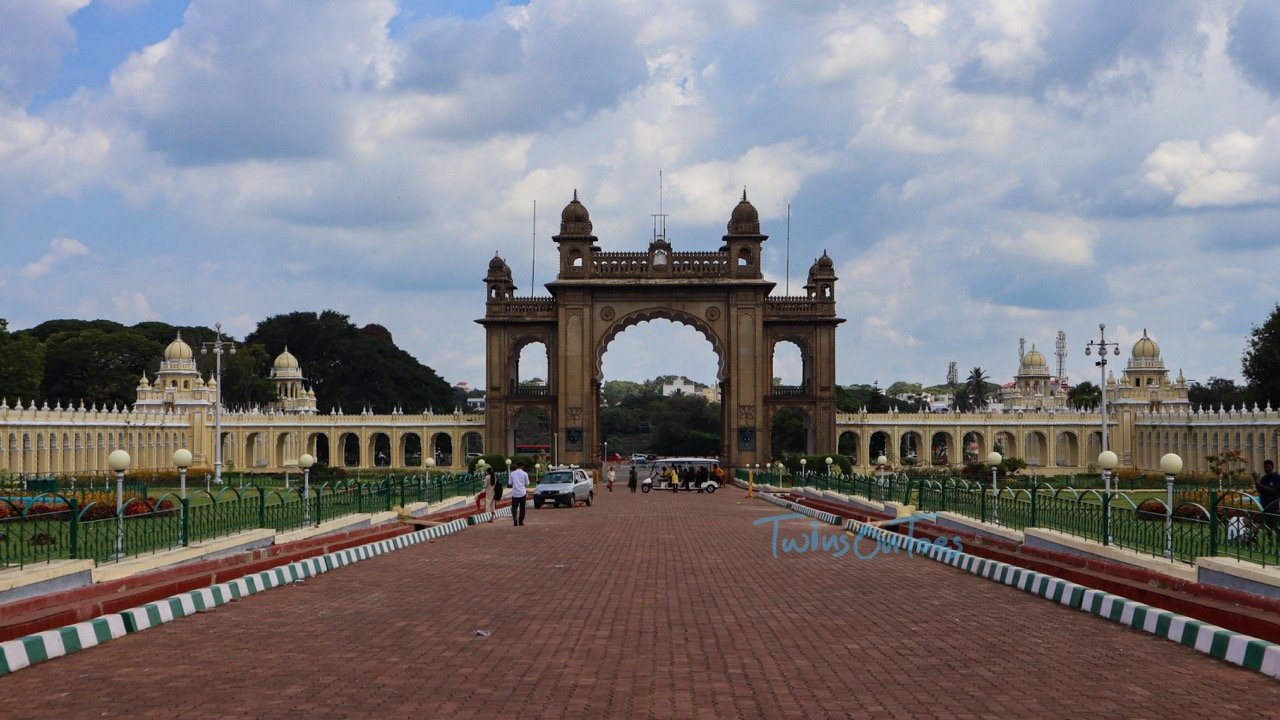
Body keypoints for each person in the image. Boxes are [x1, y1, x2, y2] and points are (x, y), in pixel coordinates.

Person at [1256, 459, 1280, 528]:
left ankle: (1275, 538)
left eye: (1268, 467)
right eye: (1265, 467)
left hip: (1273, 506)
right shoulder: (1264, 478)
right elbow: (1259, 490)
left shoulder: (1277, 477)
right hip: (1264, 505)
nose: (1266, 469)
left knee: (1274, 524)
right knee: (1267, 525)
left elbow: (1274, 490)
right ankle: (1269, 538)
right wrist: (1255, 480)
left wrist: (1260, 485)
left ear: (1272, 467)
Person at [508, 460, 530, 526]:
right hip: (522, 492)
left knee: (514, 507)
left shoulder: (512, 473)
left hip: (515, 493)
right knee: (522, 508)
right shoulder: (525, 474)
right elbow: (527, 484)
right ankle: (521, 521)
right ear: (522, 466)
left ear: (516, 466)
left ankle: (515, 519)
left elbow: (509, 483)